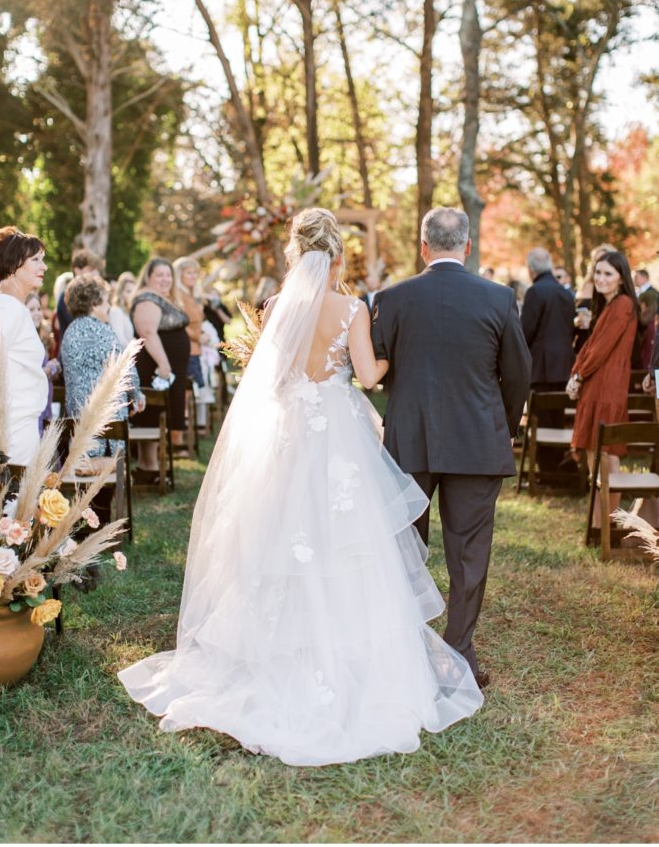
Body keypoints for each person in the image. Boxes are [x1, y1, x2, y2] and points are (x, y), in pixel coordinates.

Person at [119, 208, 483, 765]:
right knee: (345, 540)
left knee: (282, 532)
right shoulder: (352, 309)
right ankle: (351, 656)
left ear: (296, 253)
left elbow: (271, 379)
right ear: (336, 257)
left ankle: (273, 651)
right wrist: (390, 357)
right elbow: (368, 376)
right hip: (339, 433)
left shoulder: (275, 308)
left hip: (289, 432)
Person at [370, 207, 531, 688]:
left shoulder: (392, 298)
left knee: (405, 550)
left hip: (409, 442)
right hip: (477, 440)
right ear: (467, 245)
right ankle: (460, 655)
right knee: (468, 555)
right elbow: (518, 374)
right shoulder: (498, 298)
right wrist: (503, 426)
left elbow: (376, 368)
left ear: (423, 247)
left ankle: (407, 651)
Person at [60, 274, 144, 516]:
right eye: (106, 301)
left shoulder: (69, 332)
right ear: (94, 303)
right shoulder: (103, 331)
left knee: (86, 477)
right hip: (106, 421)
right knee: (103, 477)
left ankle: (88, 521)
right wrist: (137, 394)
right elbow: (124, 367)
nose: (109, 306)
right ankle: (100, 522)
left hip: (78, 419)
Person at [566, 251, 639, 527]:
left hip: (607, 386)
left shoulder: (623, 304)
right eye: (598, 272)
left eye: (608, 273)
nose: (601, 278)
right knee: (593, 453)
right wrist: (576, 375)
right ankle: (598, 526)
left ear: (621, 278)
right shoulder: (608, 305)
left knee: (606, 454)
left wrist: (579, 375)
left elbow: (602, 348)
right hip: (596, 384)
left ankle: (607, 525)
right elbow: (590, 346)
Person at [0, 227, 49, 465]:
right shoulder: (7, 309)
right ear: (14, 265)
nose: (44, 267)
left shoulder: (9, 307)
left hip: (18, 428)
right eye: (36, 260)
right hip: (9, 432)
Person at [130, 258, 190, 477]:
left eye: (168, 275)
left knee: (158, 415)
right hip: (154, 367)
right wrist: (164, 364)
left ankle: (150, 466)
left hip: (166, 369)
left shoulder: (163, 298)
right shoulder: (147, 298)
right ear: (148, 277)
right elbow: (148, 333)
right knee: (151, 415)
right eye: (159, 275)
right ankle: (148, 467)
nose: (165, 279)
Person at [521, 248, 576, 473]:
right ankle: (557, 466)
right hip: (563, 365)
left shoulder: (535, 292)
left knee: (541, 421)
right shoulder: (565, 292)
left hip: (542, 366)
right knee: (557, 418)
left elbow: (526, 331)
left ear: (531, 269)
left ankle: (546, 471)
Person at [174, 256, 207, 457]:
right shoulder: (179, 296)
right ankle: (177, 441)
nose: (193, 276)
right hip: (187, 348)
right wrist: (197, 337)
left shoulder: (193, 295)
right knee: (183, 396)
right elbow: (181, 323)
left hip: (196, 350)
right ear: (180, 275)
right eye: (189, 272)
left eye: (195, 273)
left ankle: (184, 438)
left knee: (190, 395)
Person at [25, 291, 60, 434]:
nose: (38, 313)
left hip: (44, 405)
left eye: (39, 309)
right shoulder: (24, 341)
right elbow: (31, 374)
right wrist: (50, 367)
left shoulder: (36, 337)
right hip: (33, 408)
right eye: (31, 309)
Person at [56, 248, 104, 339]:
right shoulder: (67, 296)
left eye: (96, 270)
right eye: (91, 269)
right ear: (77, 270)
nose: (96, 273)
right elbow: (82, 328)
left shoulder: (91, 295)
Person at [108, 271, 136, 349]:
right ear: (120, 292)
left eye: (134, 292)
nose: (132, 295)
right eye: (128, 291)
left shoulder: (127, 312)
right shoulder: (116, 311)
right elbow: (119, 340)